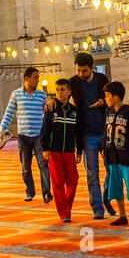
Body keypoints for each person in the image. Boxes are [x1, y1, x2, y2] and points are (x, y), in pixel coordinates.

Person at [45, 52, 113, 219]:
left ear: (92, 68)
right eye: (78, 70)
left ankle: (106, 197)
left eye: (84, 71)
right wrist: (51, 100)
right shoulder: (74, 82)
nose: (81, 74)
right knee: (92, 174)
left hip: (105, 132)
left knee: (112, 170)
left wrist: (104, 102)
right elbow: (62, 94)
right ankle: (97, 209)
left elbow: (113, 98)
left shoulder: (103, 80)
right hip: (86, 134)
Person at [0, 66, 51, 204]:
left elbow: (47, 114)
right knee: (25, 168)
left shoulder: (41, 95)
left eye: (38, 78)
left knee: (43, 165)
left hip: (39, 136)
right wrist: (2, 128)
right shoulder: (16, 94)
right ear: (27, 79)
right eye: (35, 78)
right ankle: (30, 192)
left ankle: (46, 193)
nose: (38, 81)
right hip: (23, 137)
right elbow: (9, 113)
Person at [102, 81, 129, 228]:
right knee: (116, 187)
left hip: (128, 157)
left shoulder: (128, 112)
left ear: (116, 97)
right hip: (113, 156)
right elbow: (105, 131)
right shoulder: (109, 112)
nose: (105, 99)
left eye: (107, 96)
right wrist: (103, 147)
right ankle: (122, 215)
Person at [42, 77, 82, 223]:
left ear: (69, 92)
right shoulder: (51, 108)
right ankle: (64, 213)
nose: (59, 92)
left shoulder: (74, 111)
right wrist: (45, 148)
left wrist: (80, 150)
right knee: (58, 183)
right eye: (57, 90)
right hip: (54, 151)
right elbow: (45, 130)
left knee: (73, 181)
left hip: (69, 151)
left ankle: (67, 208)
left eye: (63, 90)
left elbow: (78, 132)